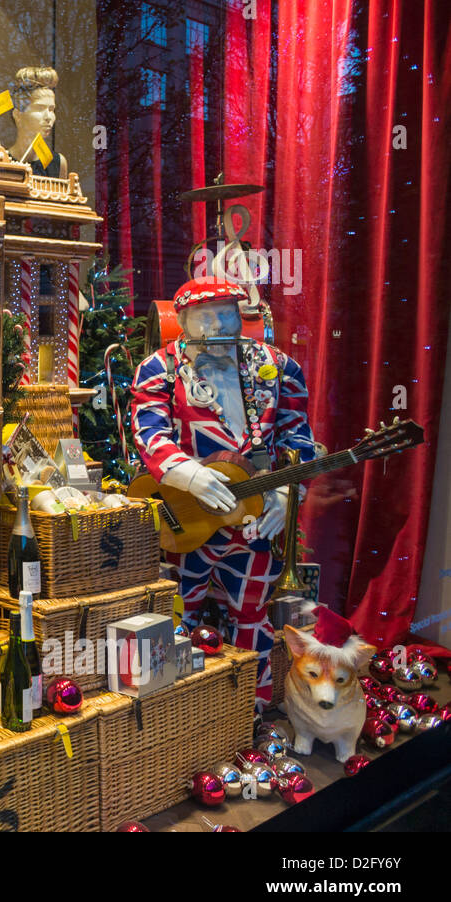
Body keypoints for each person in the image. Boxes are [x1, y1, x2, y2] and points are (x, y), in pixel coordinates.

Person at [131, 279, 317, 713]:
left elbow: (299, 439)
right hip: (185, 523)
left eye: (227, 312)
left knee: (253, 618)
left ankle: (250, 711)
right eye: (205, 315)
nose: (218, 324)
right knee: (176, 618)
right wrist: (188, 474)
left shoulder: (277, 366)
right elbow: (149, 431)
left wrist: (289, 493)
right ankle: (173, 715)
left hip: (255, 524)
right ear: (181, 320)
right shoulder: (160, 368)